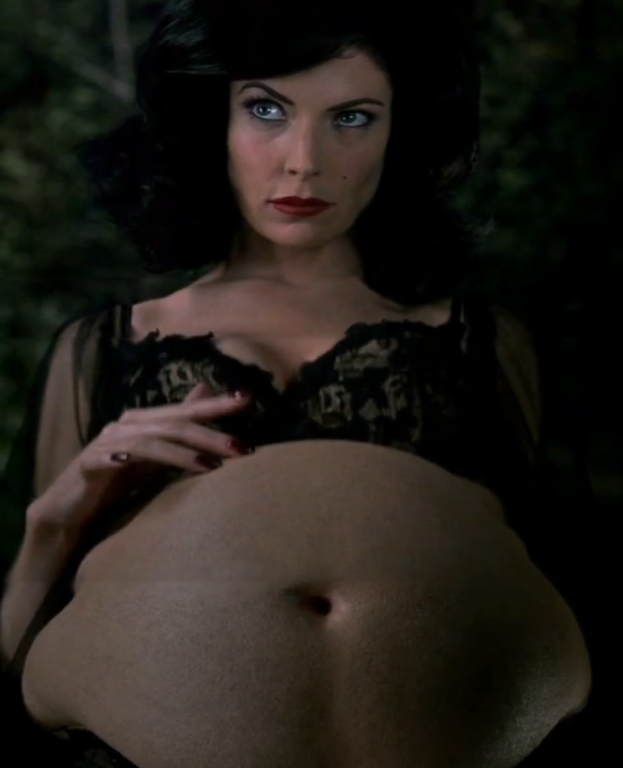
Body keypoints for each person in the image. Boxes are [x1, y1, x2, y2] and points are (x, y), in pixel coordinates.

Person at [0, 1, 591, 766]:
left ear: (400, 134)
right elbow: (14, 657)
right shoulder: (103, 348)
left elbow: (567, 583)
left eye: (352, 118)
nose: (304, 159)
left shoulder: (483, 341)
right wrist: (55, 519)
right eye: (266, 110)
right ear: (210, 120)